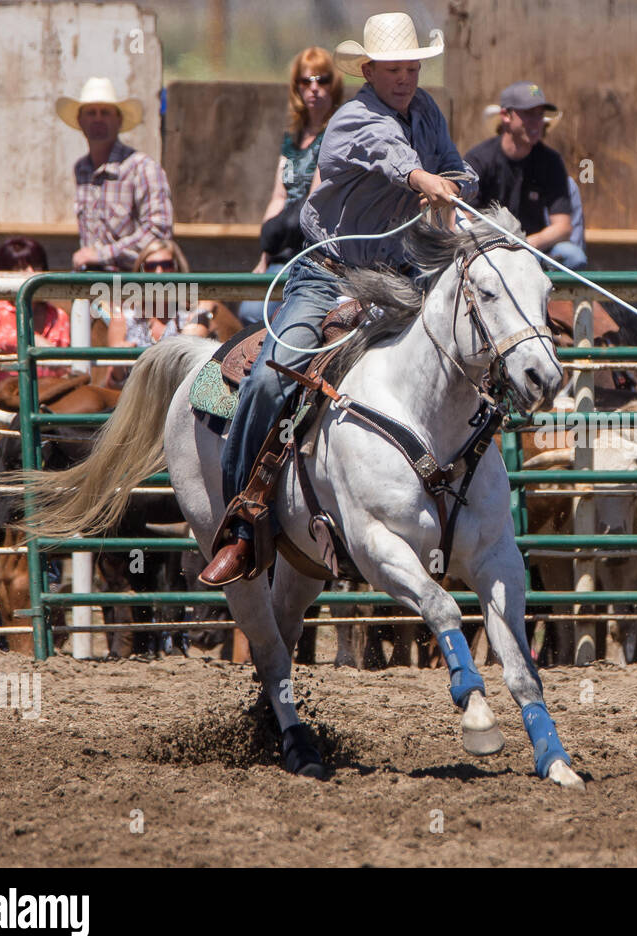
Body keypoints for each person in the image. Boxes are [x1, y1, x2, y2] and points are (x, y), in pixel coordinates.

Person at [202, 11, 477, 586]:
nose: (404, 78)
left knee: (466, 350)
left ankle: (460, 496)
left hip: (401, 275)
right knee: (273, 378)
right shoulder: (354, 118)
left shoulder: (426, 111)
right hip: (329, 276)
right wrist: (427, 182)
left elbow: (451, 164)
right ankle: (244, 519)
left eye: (412, 67)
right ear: (369, 70)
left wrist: (461, 183)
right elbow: (393, 159)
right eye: (394, 69)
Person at [239, 48, 345, 325]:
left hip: (314, 246)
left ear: (333, 85)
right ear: (296, 86)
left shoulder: (336, 133)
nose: (314, 88)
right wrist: (263, 255)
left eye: (322, 80)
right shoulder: (292, 139)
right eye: (306, 81)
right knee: (249, 308)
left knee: (259, 311)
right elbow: (278, 197)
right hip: (283, 243)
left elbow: (315, 201)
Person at [56, 77, 174, 272]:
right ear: (80, 120)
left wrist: (102, 255)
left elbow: (159, 233)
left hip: (133, 284)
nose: (98, 119)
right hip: (91, 281)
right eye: (91, 113)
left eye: (105, 112)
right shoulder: (82, 169)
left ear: (119, 120)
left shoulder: (142, 168)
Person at [465, 83, 586, 270]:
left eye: (539, 115)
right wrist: (501, 247)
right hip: (488, 250)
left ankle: (571, 299)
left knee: (573, 256)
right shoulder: (479, 160)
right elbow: (464, 220)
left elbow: (563, 227)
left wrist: (527, 244)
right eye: (529, 114)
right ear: (506, 116)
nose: (537, 122)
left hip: (536, 249)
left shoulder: (551, 161)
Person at [103, 240, 214, 387]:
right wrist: (118, 366)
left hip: (176, 399)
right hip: (136, 400)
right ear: (141, 272)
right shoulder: (124, 319)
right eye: (151, 267)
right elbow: (111, 384)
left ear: (177, 269)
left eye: (167, 265)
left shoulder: (191, 314)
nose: (159, 272)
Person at [0, 237, 71, 399]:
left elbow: (64, 367)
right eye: (20, 268)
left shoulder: (58, 315)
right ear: (5, 274)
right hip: (1, 401)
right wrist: (33, 340)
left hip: (49, 402)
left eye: (37, 265)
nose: (32, 272)